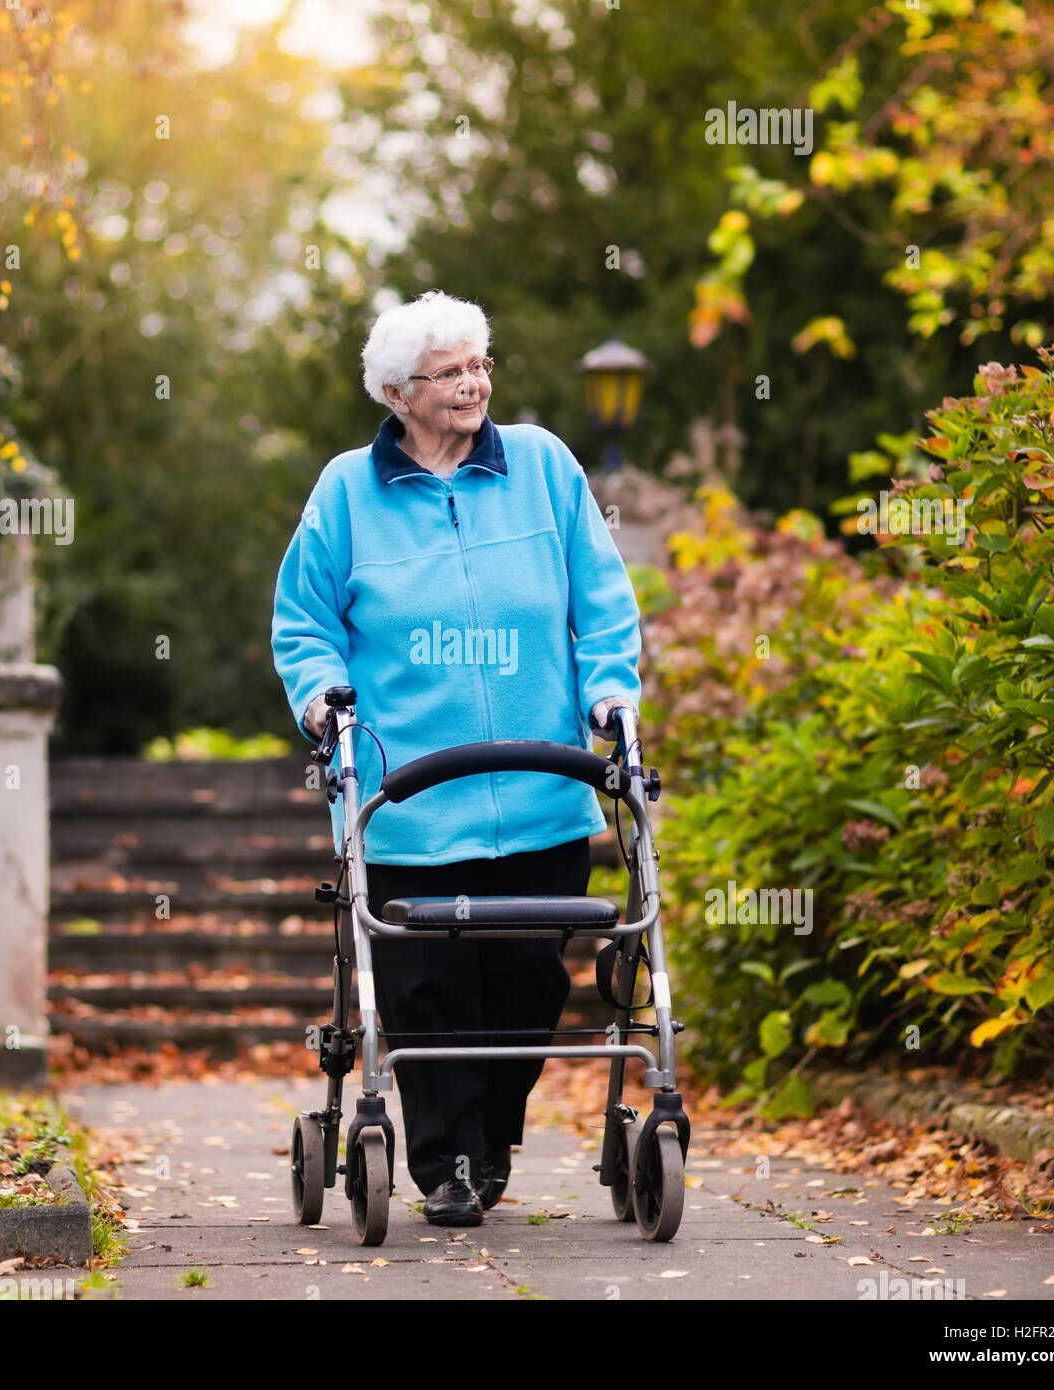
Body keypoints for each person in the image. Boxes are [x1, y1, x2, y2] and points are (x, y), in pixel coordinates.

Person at [271, 289, 641, 1226]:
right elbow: (305, 622)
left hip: (541, 786)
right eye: (450, 372)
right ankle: (447, 1165)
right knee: (426, 992)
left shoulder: (547, 468)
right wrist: (324, 700)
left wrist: (611, 686)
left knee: (529, 981)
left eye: (481, 364)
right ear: (398, 393)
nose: (474, 384)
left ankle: (490, 1145)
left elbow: (601, 596)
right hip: (406, 799)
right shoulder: (347, 492)